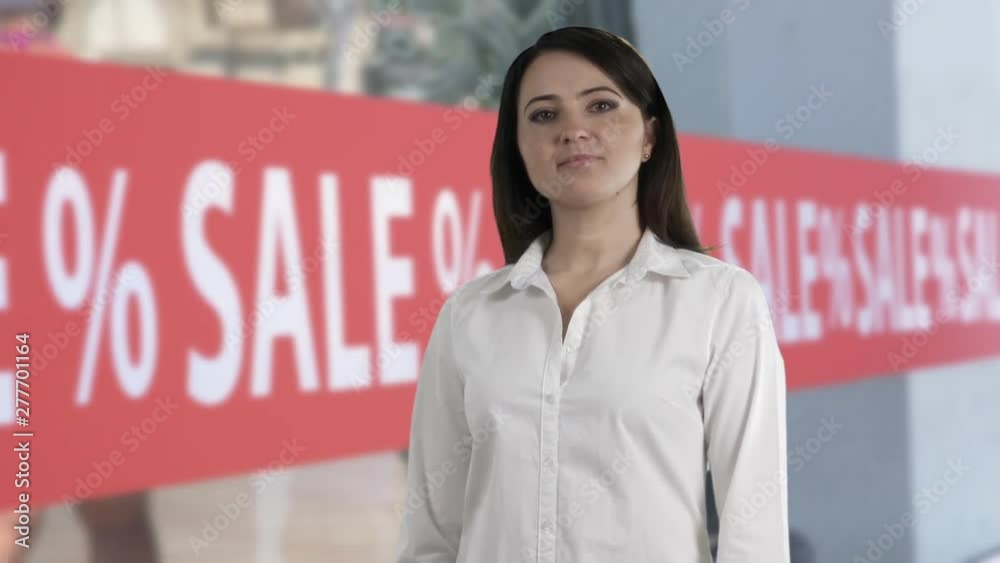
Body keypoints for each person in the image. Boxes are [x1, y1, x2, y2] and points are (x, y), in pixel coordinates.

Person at [394, 25, 789, 563]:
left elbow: (754, 530)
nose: (574, 131)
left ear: (650, 136)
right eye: (544, 114)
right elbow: (432, 534)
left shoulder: (720, 302)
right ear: (519, 146)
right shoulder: (470, 315)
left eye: (601, 106)